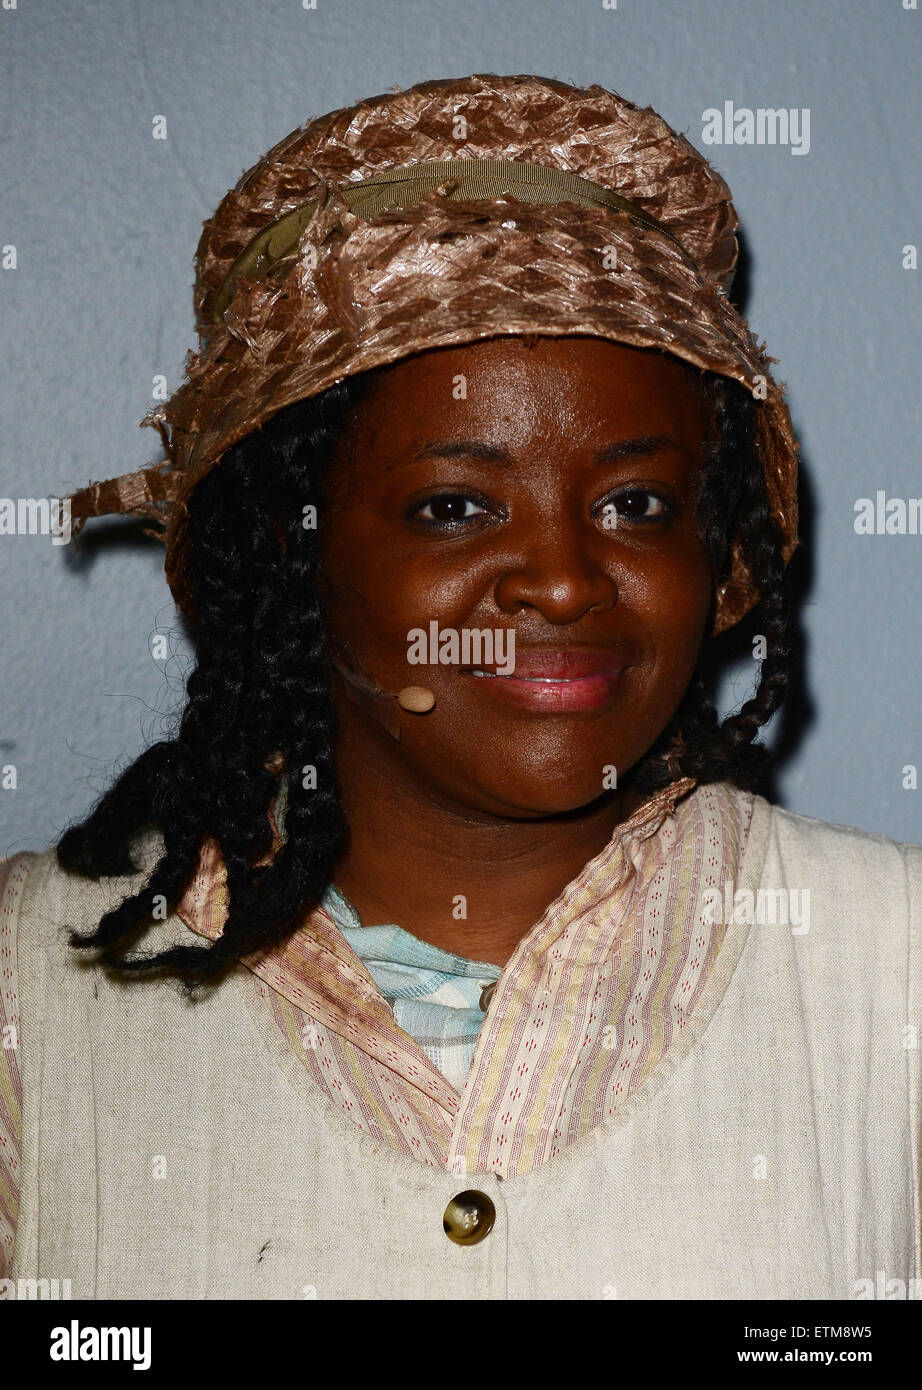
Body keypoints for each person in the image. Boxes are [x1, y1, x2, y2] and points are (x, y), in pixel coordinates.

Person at [1, 72, 918, 1301]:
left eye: (635, 503)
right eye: (454, 507)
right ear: (289, 549)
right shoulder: (28, 995)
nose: (562, 579)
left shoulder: (890, 967)